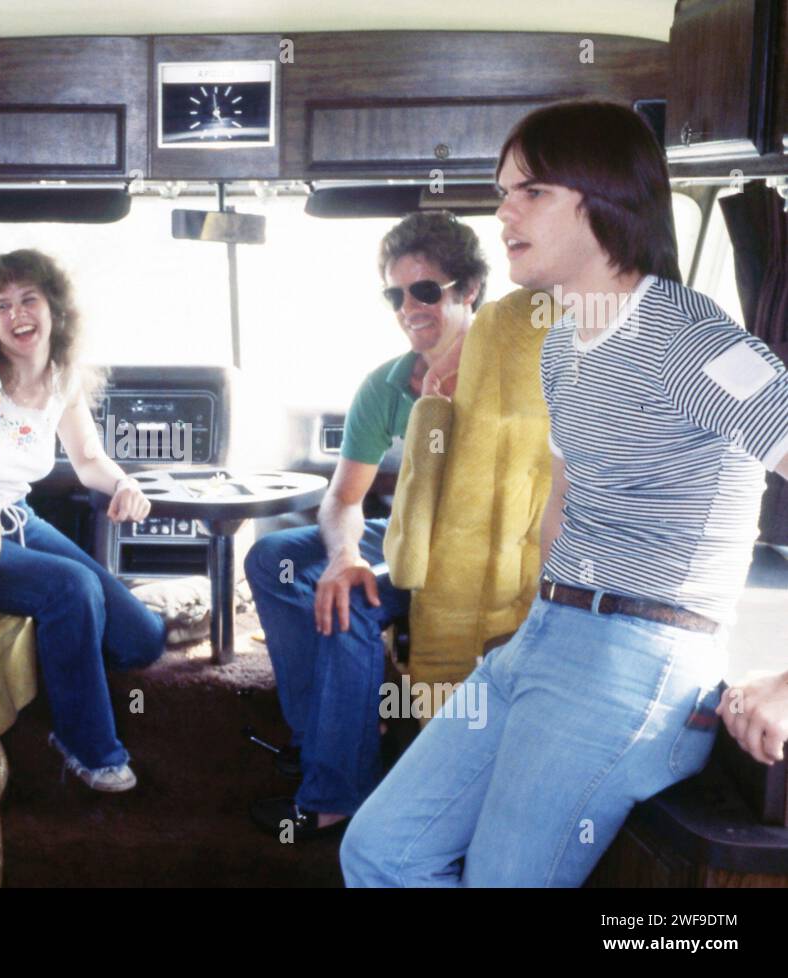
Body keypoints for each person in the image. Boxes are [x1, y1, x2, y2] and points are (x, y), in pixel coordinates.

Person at [341, 100, 788, 887]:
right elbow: (564, 502)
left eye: (532, 191)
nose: (503, 210)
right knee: (383, 853)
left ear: (606, 200)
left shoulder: (693, 340)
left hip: (638, 655)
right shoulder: (562, 347)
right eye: (503, 190)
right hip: (544, 633)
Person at [244, 212, 488, 839]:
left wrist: (352, 571)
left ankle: (337, 797)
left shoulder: (505, 377)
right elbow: (342, 499)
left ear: (469, 290)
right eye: (395, 294)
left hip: (468, 551)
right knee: (273, 558)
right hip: (404, 532)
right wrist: (346, 551)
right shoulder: (384, 384)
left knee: (351, 600)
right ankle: (324, 731)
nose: (409, 307)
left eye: (426, 290)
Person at [0, 249, 166, 792]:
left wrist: (126, 483)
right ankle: (89, 750)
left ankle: (65, 654)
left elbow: (87, 460)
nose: (16, 314)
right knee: (72, 589)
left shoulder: (62, 378)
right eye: (0, 305)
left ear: (54, 307)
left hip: (18, 519)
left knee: (143, 638)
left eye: (28, 298)